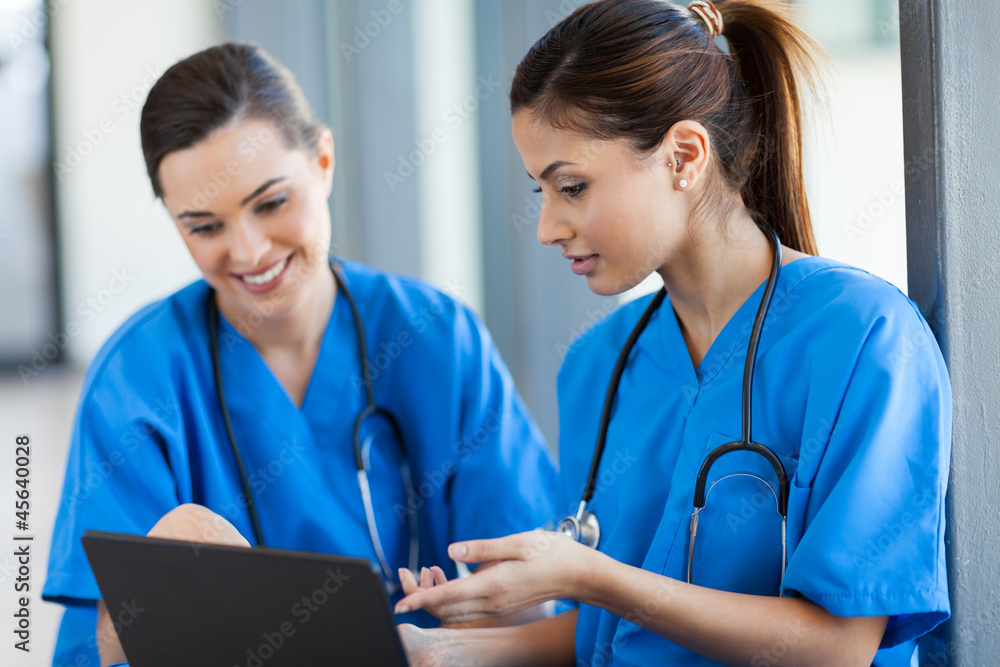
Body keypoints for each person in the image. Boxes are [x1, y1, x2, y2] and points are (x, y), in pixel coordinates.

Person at [393, 1, 951, 665]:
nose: (547, 227)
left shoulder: (865, 338)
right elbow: (605, 634)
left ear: (683, 156)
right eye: (538, 192)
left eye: (571, 186)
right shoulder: (598, 365)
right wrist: (445, 646)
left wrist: (586, 574)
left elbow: (837, 646)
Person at [42, 43, 558, 667]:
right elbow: (94, 653)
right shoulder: (136, 379)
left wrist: (467, 629)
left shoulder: (435, 337)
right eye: (205, 226)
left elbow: (533, 600)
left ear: (323, 161)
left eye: (271, 203)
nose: (250, 250)